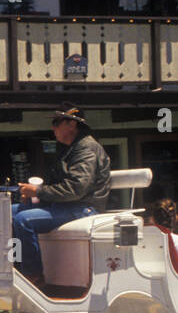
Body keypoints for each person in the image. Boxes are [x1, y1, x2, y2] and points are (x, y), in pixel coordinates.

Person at [12, 108, 111, 280]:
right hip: (67, 205)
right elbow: (58, 184)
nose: (53, 128)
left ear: (72, 124)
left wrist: (37, 191)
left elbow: (76, 189)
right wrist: (32, 193)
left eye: (56, 123)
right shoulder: (72, 148)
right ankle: (13, 266)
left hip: (83, 208)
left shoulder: (86, 149)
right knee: (7, 212)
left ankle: (33, 276)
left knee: (23, 219)